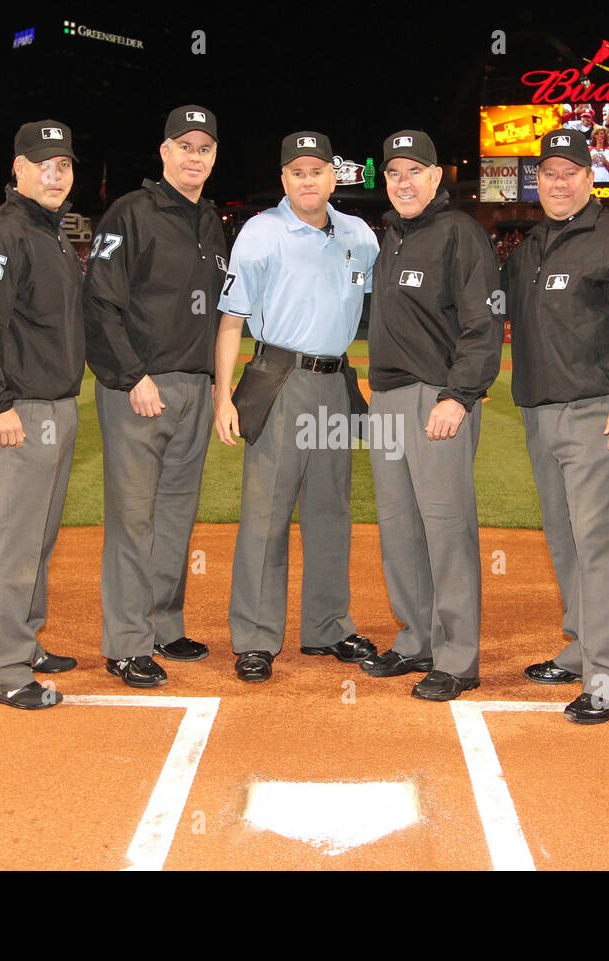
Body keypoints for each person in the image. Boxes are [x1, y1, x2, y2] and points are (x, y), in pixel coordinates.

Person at [508, 129, 609, 723]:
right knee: (566, 540)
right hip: (540, 414)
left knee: (601, 546)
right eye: (549, 173)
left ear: (589, 175)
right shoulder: (529, 248)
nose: (558, 182)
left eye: (569, 172)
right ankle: (581, 648)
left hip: (599, 414)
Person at [213, 131, 380, 682]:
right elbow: (231, 320)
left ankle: (327, 627)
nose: (308, 181)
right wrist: (222, 396)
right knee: (266, 515)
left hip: (336, 383)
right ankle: (256, 638)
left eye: (317, 171)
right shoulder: (261, 232)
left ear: (334, 175)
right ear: (283, 179)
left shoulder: (360, 234)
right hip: (279, 379)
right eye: (297, 172)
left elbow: (387, 308)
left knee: (331, 513)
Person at [83, 105, 230, 689]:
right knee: (133, 518)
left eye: (204, 148)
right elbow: (100, 302)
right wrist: (130, 376)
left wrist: (216, 382)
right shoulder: (130, 213)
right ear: (164, 152)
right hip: (140, 389)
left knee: (174, 517)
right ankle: (126, 643)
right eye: (185, 146)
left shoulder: (212, 221)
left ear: (213, 157)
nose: (195, 156)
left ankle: (164, 625)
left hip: (195, 387)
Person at [358, 129, 502, 701]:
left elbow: (483, 323)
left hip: (435, 398)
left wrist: (458, 396)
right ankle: (416, 638)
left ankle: (458, 657)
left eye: (415, 171)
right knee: (399, 527)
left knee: (445, 528)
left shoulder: (460, 232)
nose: (403, 182)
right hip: (387, 398)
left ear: (437, 176)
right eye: (394, 173)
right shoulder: (391, 237)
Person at [0, 120, 85, 710]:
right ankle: (3, 670)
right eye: (43, 164)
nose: (55, 175)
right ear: (19, 168)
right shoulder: (1, 233)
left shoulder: (51, 233)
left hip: (55, 404)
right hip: (20, 409)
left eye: (64, 165)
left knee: (38, 539)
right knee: (15, 542)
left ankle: (25, 642)